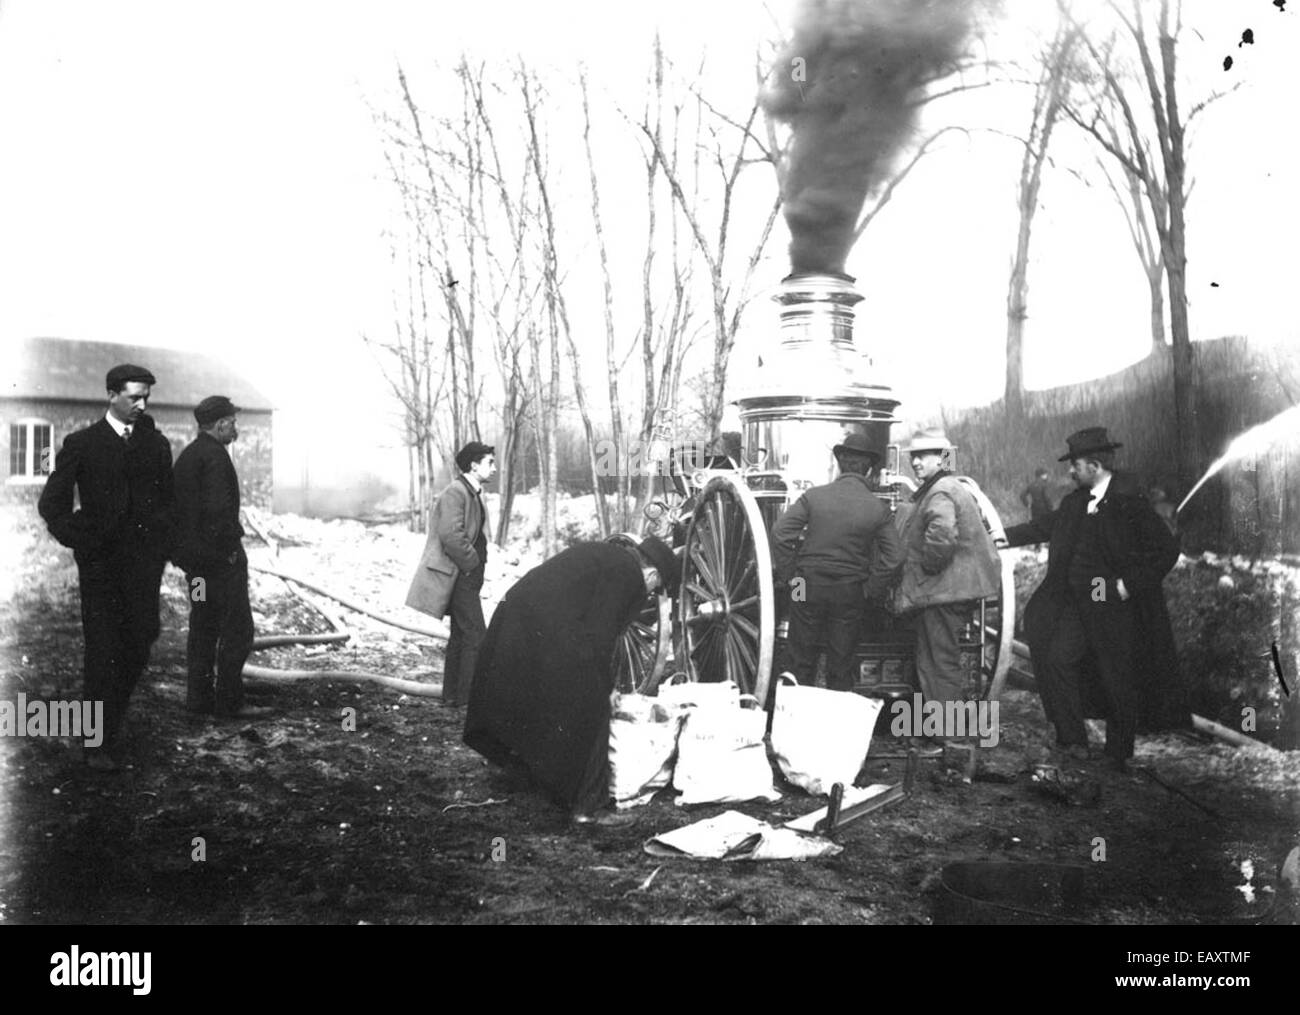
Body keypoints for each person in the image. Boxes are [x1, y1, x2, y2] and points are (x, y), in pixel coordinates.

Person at [463, 536, 679, 821]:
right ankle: (588, 806)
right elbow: (599, 637)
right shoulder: (628, 576)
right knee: (593, 705)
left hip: (520, 613)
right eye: (656, 587)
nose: (651, 593)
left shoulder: (611, 556)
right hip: (545, 626)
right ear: (652, 574)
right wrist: (608, 688)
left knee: (532, 695)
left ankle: (527, 772)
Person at [1003, 427, 1181, 772]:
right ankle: (1073, 742)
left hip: (1113, 605)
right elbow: (1042, 526)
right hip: (1076, 603)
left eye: (1076, 465)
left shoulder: (1131, 503)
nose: (1070, 471)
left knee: (1117, 675)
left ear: (1095, 466)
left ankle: (1118, 753)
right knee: (1056, 659)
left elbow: (1167, 549)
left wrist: (1126, 585)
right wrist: (998, 534)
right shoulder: (1075, 502)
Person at [38, 363, 175, 770]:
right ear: (111, 395)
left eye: (146, 396)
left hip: (144, 567)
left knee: (141, 639)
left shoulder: (156, 445)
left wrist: (161, 548)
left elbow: (167, 504)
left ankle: (109, 721)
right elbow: (53, 505)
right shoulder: (82, 443)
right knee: (103, 650)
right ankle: (96, 743)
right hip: (100, 569)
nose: (142, 403)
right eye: (134, 396)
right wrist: (83, 540)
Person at [893, 428, 1000, 752]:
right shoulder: (947, 486)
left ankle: (951, 738)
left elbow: (941, 535)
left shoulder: (939, 491)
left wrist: (926, 570)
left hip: (944, 591)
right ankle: (940, 731)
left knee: (939, 661)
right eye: (913, 457)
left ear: (941, 458)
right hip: (953, 589)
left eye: (923, 457)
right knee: (936, 658)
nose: (916, 463)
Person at [770, 433, 904, 692]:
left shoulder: (814, 496)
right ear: (868, 468)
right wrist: (870, 589)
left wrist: (792, 578)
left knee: (799, 657)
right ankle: (835, 726)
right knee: (841, 662)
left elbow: (780, 533)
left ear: (841, 462)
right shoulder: (877, 508)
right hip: (851, 590)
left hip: (804, 585)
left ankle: (794, 721)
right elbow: (895, 556)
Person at [171, 396, 268, 720]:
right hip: (219, 567)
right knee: (238, 629)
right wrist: (228, 555)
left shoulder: (188, 456)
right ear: (222, 424)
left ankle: (198, 699)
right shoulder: (215, 458)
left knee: (202, 625)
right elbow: (218, 514)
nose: (236, 428)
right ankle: (230, 702)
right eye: (233, 423)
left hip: (196, 570)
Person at [405, 441, 496, 707]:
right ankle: (467, 700)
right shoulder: (456, 492)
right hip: (458, 576)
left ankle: (453, 696)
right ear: (473, 465)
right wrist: (472, 564)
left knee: (461, 635)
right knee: (475, 635)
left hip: (464, 576)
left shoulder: (471, 492)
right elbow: (451, 536)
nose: (494, 468)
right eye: (490, 463)